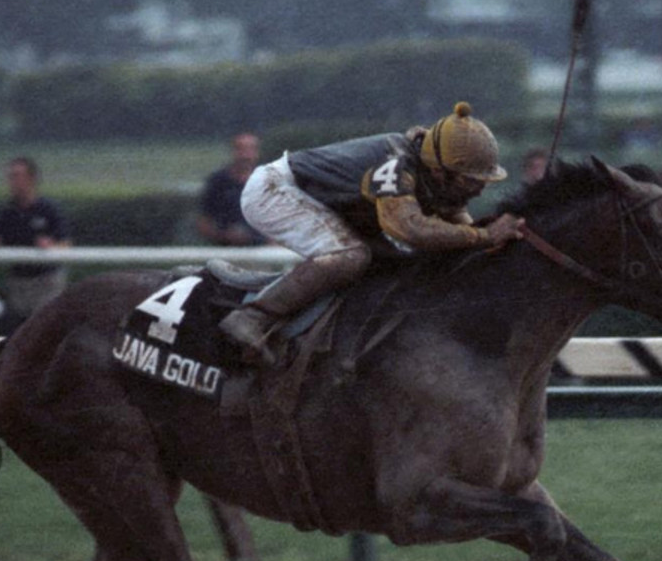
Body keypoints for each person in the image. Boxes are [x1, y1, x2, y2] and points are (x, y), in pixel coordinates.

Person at [219, 101, 523, 364]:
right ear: (439, 170)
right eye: (471, 180)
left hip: (322, 200)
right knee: (350, 256)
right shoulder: (395, 166)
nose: (480, 187)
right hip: (274, 190)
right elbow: (411, 229)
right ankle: (253, 317)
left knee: (400, 262)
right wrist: (484, 236)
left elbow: (456, 227)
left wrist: (486, 238)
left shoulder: (435, 171)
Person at [0, 157, 70, 328]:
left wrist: (51, 248)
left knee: (45, 330)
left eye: (17, 176)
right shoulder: (7, 212)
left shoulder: (48, 208)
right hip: (18, 283)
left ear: (32, 179)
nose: (12, 181)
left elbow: (66, 244)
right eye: (10, 176)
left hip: (46, 282)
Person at [197, 132, 263, 246]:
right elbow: (204, 221)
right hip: (224, 251)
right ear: (233, 152)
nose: (245, 155)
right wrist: (224, 236)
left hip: (263, 253)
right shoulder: (217, 182)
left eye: (250, 149)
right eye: (240, 149)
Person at [493, 146, 549, 217]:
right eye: (533, 167)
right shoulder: (512, 203)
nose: (537, 173)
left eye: (541, 168)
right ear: (525, 170)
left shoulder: (555, 201)